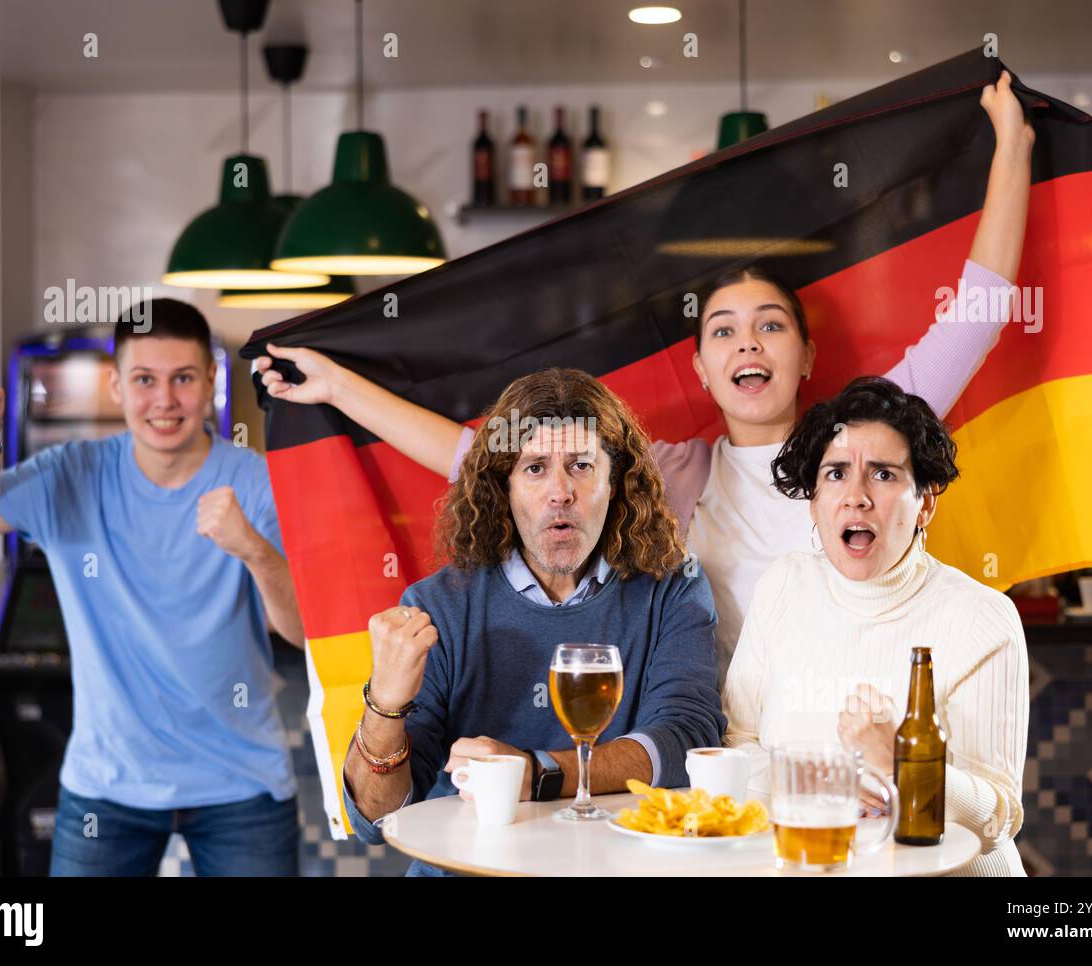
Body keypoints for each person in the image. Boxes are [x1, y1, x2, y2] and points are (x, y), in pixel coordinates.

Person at [254, 71, 1035, 684]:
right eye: (722, 330)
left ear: (805, 355)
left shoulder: (861, 449)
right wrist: (336, 388)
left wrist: (1012, 147)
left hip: (839, 725)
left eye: (770, 325)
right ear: (701, 367)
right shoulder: (668, 473)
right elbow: (484, 454)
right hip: (705, 740)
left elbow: (978, 313)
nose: (746, 344)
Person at [0, 299, 304, 876]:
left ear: (210, 382)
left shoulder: (256, 480)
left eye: (183, 379)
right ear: (117, 386)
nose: (165, 400)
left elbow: (301, 631)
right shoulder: (71, 473)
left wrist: (254, 549)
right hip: (108, 784)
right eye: (145, 380)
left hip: (239, 781)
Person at [341, 368, 726, 876]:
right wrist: (385, 707)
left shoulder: (672, 587)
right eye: (535, 468)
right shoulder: (438, 606)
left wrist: (537, 772)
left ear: (617, 482)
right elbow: (375, 816)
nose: (560, 492)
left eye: (582, 466)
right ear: (504, 487)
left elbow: (687, 740)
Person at [722, 376, 1029, 876]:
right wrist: (832, 788)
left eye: (883, 475)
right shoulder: (783, 586)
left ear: (925, 502)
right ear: (815, 497)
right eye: (837, 473)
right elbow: (739, 743)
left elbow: (997, 814)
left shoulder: (981, 617)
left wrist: (901, 766)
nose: (856, 497)